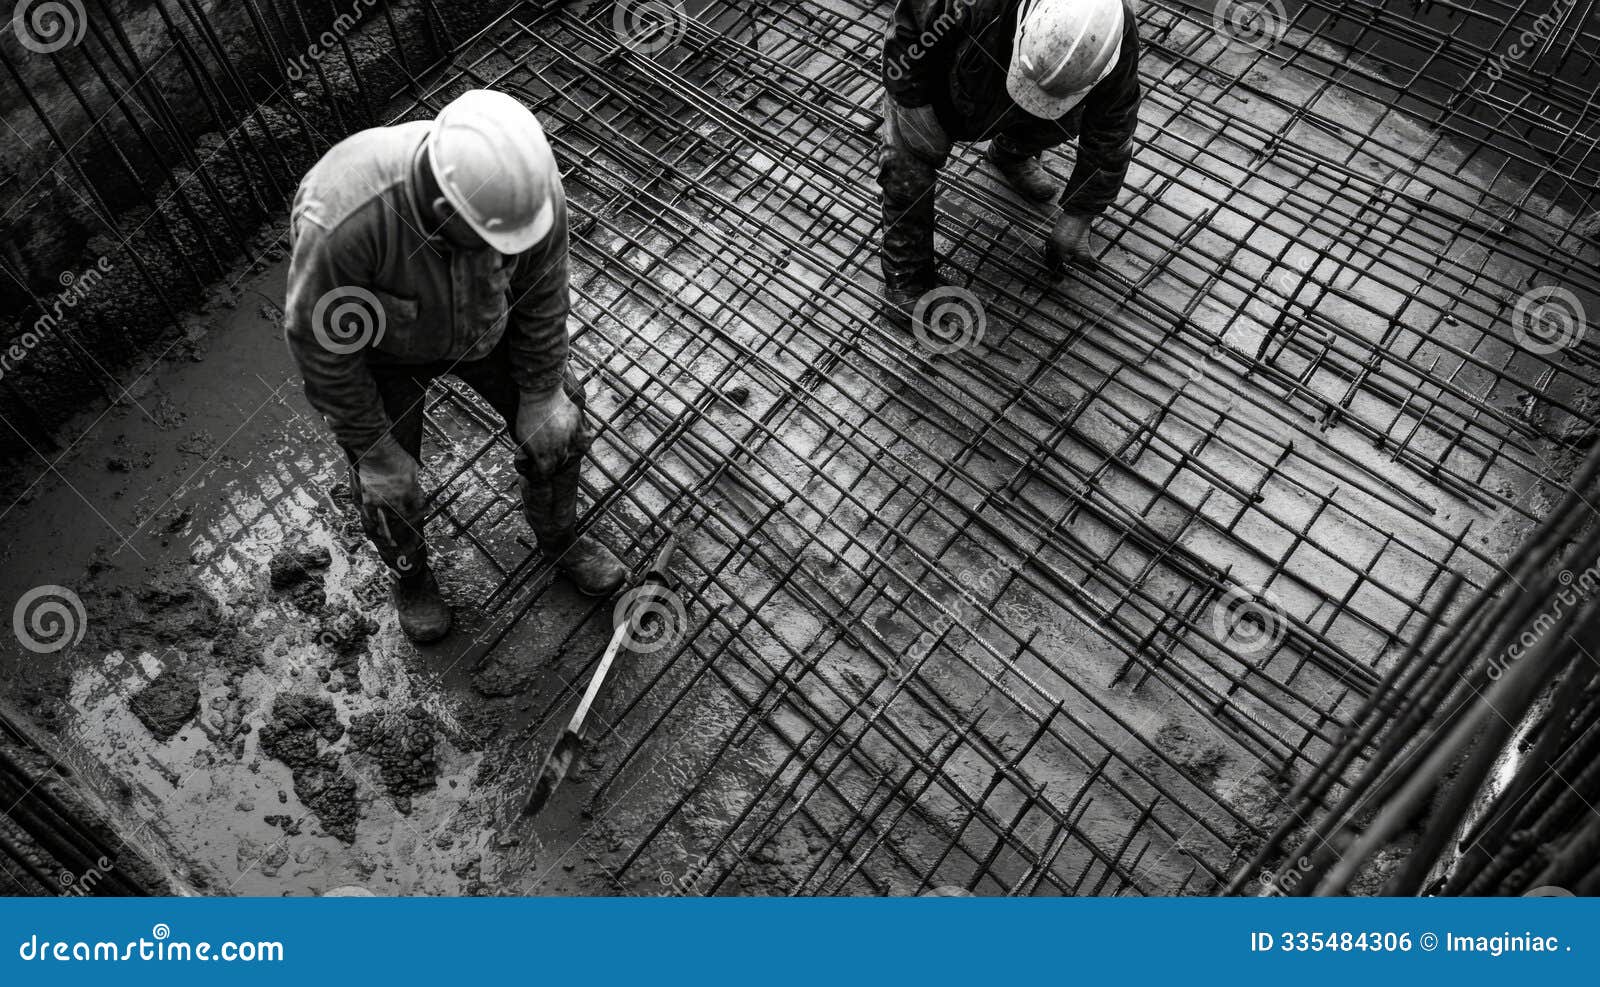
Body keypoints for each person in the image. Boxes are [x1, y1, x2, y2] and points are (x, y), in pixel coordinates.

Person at [284, 89, 625, 643]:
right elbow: (324, 351)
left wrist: (541, 393)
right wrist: (375, 452)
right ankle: (411, 577)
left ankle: (559, 537)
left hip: (487, 331)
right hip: (384, 355)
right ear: (444, 213)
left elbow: (542, 291)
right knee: (386, 487)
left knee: (563, 419)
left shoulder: (527, 192)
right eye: (487, 245)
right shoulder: (343, 219)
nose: (500, 258)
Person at [879, 0, 1142, 322]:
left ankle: (1009, 153)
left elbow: (1113, 125)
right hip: (945, 81)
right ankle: (906, 279)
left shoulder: (1113, 26)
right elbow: (906, 40)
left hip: (996, 76)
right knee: (908, 167)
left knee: (1070, 117)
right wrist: (914, 106)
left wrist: (1081, 212)